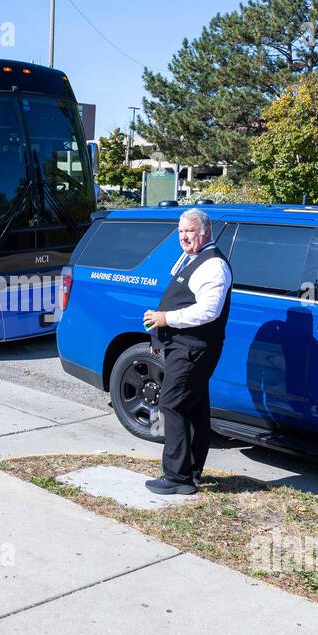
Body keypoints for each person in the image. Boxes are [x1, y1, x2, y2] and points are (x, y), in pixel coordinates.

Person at [142, 208, 232, 495]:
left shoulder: (213, 265)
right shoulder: (193, 257)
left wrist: (165, 319)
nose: (183, 236)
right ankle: (191, 468)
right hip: (182, 345)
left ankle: (177, 478)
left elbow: (209, 311)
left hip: (194, 348)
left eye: (189, 231)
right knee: (193, 407)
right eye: (180, 231)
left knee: (172, 404)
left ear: (205, 232)